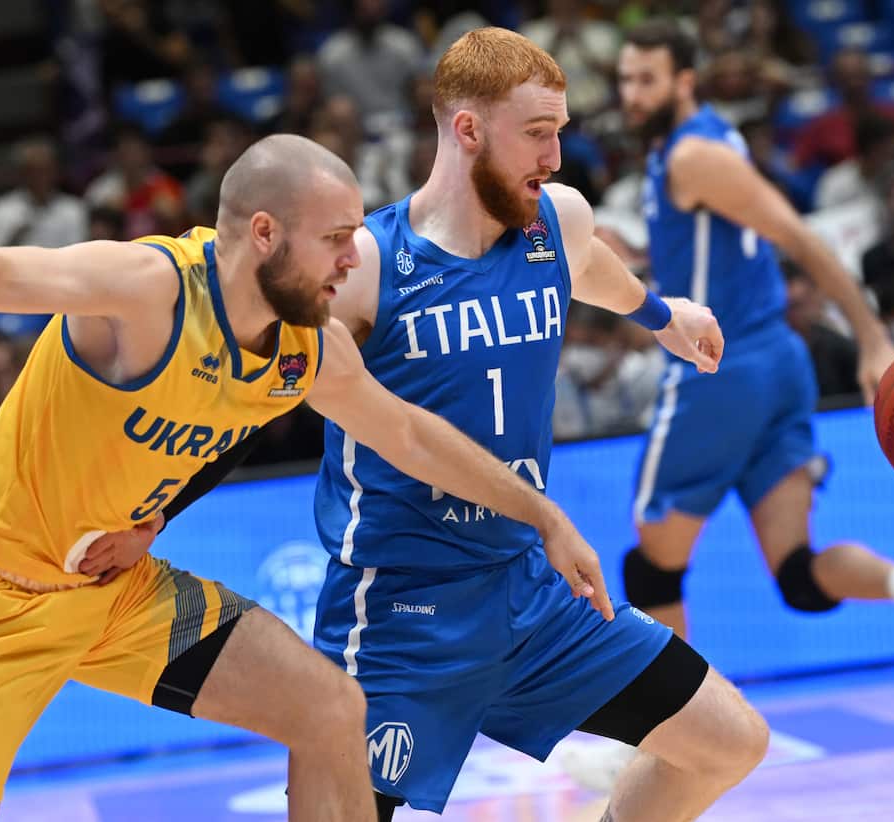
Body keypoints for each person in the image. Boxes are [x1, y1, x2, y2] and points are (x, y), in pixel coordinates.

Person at [0, 134, 613, 822]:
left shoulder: (307, 346)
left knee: (330, 709)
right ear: (264, 232)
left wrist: (543, 517)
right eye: (334, 238)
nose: (352, 258)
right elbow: (2, 272)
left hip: (117, 590)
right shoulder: (151, 293)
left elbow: (409, 434)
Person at [107, 28, 767, 822]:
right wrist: (155, 512)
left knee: (730, 741)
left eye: (559, 131)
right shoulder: (364, 267)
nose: (556, 155)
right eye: (537, 134)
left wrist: (664, 316)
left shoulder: (557, 219)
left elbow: (590, 268)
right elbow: (245, 400)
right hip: (400, 616)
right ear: (467, 131)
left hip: (534, 596)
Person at [561, 20, 894, 795]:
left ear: (684, 81)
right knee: (797, 573)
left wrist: (869, 335)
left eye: (647, 81)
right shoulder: (698, 144)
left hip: (721, 369)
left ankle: (658, 748)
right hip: (776, 365)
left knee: (649, 561)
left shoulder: (695, 153)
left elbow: (797, 233)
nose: (630, 96)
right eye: (625, 80)